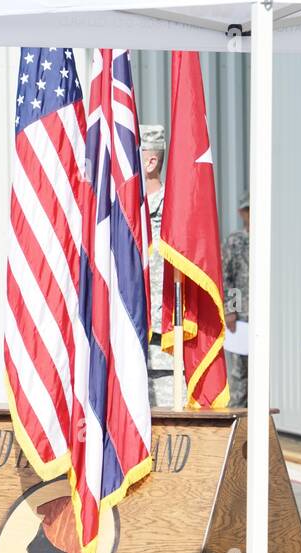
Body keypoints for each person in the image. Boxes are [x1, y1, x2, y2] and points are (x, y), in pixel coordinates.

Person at [140, 123, 176, 408]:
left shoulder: (174, 212)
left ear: (151, 162)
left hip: (162, 345)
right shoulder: (119, 213)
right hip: (126, 340)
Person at [221, 191, 250, 407]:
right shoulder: (235, 241)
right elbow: (226, 275)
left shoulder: (266, 238)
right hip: (241, 317)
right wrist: (231, 310)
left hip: (260, 316)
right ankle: (237, 421)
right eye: (248, 209)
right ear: (242, 212)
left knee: (259, 373)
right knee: (240, 373)